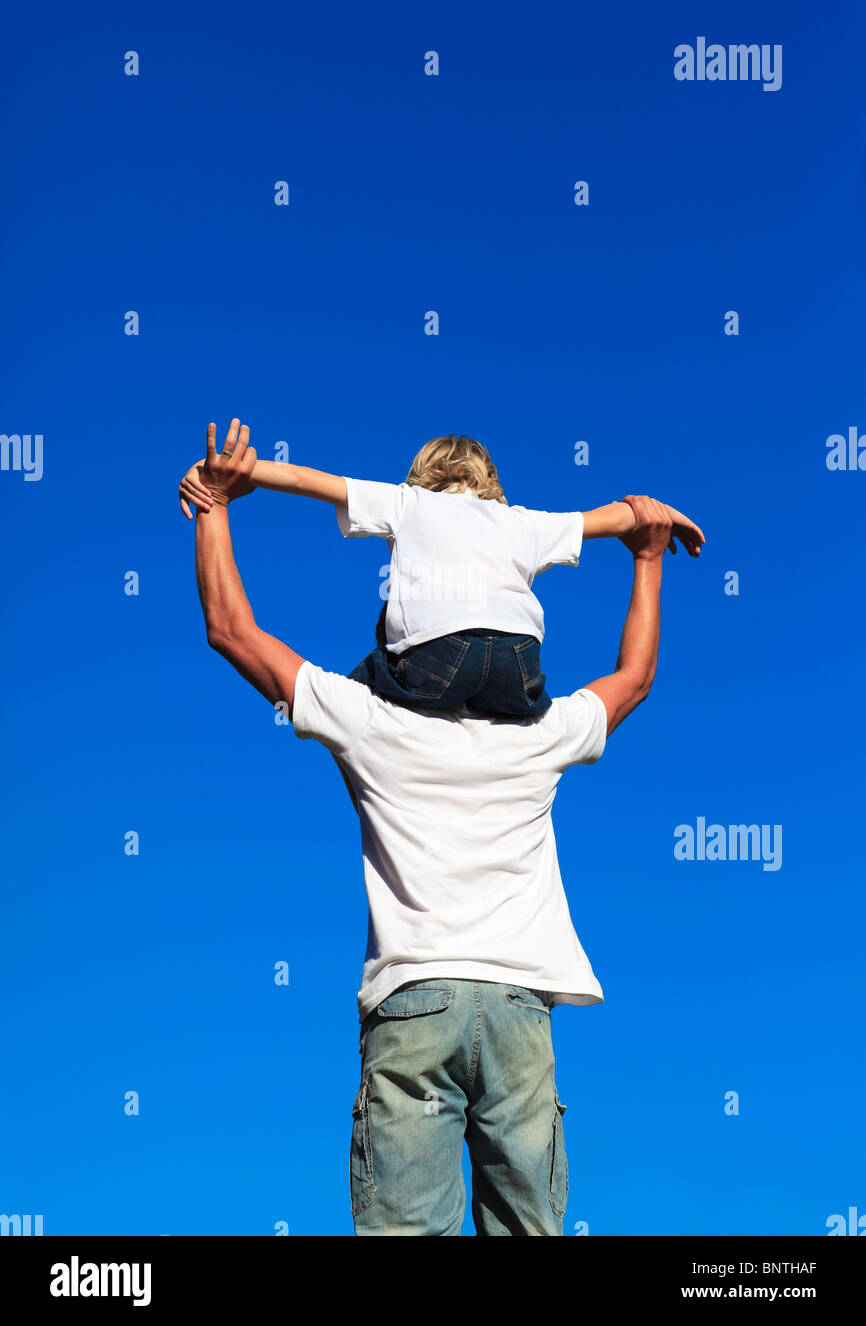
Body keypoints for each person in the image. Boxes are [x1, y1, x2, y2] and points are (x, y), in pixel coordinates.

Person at [190, 418, 689, 1236]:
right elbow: (634, 678)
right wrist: (647, 559)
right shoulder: (542, 737)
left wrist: (215, 505)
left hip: (414, 1002)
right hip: (520, 1012)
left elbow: (231, 631)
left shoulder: (369, 722)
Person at [180, 432, 703, 717]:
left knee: (366, 678)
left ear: (422, 474)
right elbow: (610, 518)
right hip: (519, 665)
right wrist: (661, 514)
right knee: (518, 703)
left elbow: (309, 479)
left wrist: (236, 475)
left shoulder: (407, 502)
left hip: (436, 655)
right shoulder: (522, 521)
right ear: (490, 481)